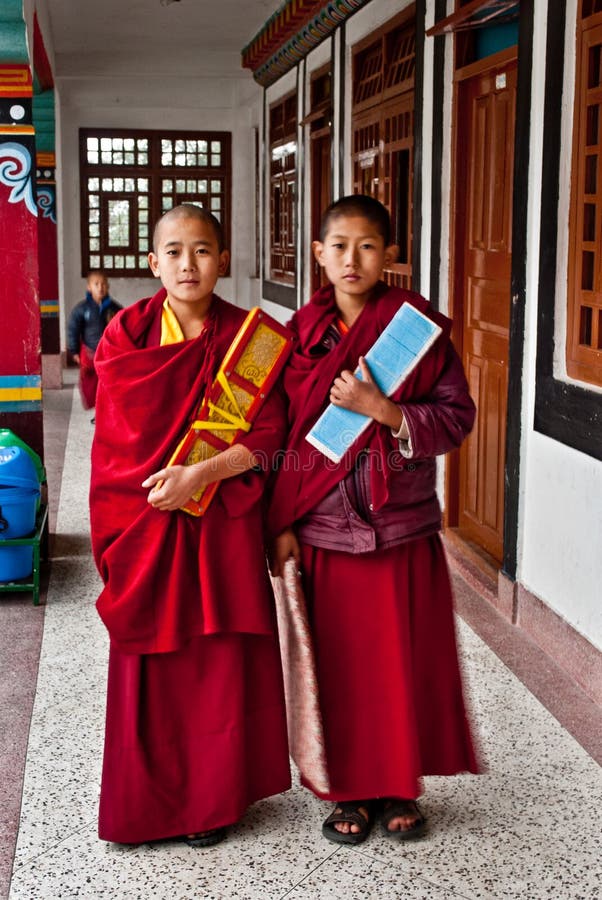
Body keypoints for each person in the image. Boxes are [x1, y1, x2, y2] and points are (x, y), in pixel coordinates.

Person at [269, 195, 479, 845]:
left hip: (401, 527)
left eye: (367, 246)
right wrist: (280, 521)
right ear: (318, 254)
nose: (352, 259)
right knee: (341, 670)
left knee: (398, 668)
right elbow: (281, 433)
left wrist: (383, 410)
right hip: (325, 530)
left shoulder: (414, 333)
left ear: (389, 255)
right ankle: (347, 792)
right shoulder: (298, 335)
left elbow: (456, 417)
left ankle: (397, 787)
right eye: (339, 245)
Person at [89, 204, 291, 847]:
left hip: (219, 521)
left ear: (224, 259)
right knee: (155, 658)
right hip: (147, 519)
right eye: (173, 252)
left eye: (202, 250)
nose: (188, 264)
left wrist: (198, 476)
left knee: (217, 663)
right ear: (152, 262)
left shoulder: (251, 340)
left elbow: (268, 436)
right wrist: (164, 488)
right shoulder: (127, 334)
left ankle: (213, 801)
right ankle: (147, 804)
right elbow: (120, 446)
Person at [67, 270, 122, 414]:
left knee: (108, 384)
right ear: (89, 287)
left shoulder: (114, 308)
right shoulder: (82, 309)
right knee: (92, 385)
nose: (101, 287)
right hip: (90, 353)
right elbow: (73, 329)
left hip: (109, 354)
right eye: (96, 284)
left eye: (104, 283)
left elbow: (123, 326)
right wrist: (73, 351)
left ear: (108, 286)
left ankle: (106, 412)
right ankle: (98, 411)